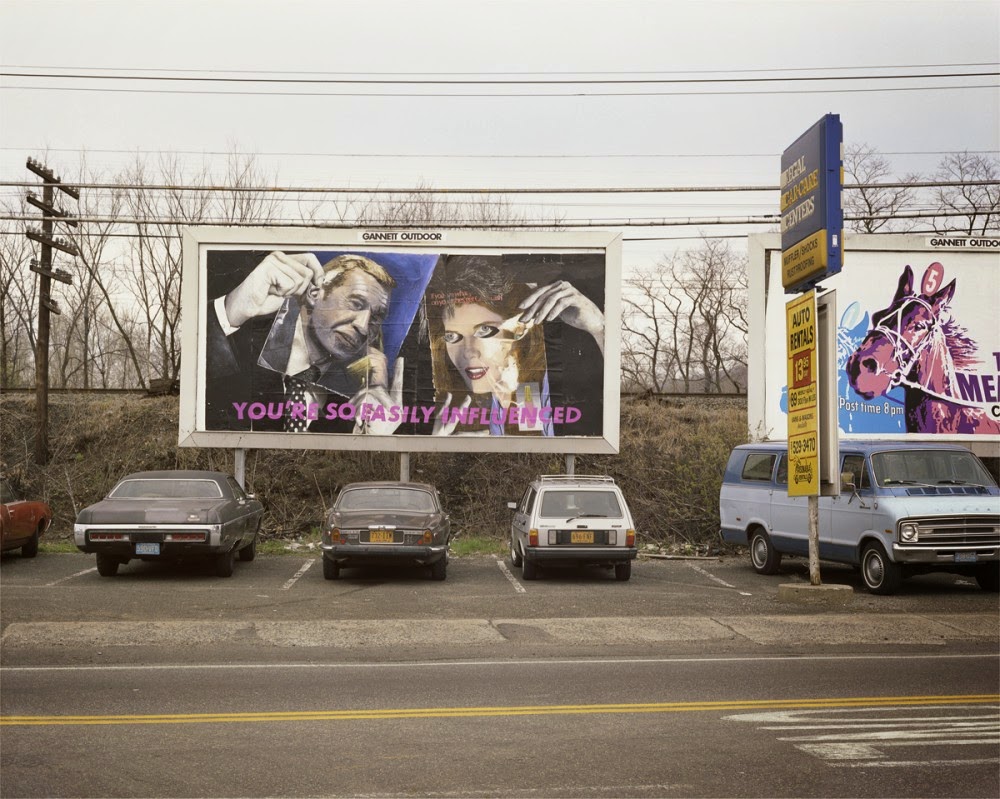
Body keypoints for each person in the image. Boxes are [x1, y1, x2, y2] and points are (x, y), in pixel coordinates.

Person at [205, 251, 403, 433]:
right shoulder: (246, 336)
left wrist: (375, 436)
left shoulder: (360, 396)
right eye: (355, 304)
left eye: (376, 317)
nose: (363, 325)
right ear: (314, 294)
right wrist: (228, 312)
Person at [424, 255, 605, 436]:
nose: (469, 352)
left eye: (485, 330)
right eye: (452, 336)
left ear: (517, 329)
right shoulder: (450, 409)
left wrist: (599, 329)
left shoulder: (544, 381)